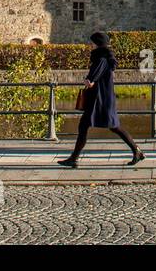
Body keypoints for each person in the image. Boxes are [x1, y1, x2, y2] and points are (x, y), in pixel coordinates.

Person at [57, 32, 145, 169]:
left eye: (92, 42)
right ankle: (136, 151)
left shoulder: (101, 59)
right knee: (111, 127)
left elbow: (92, 79)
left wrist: (89, 81)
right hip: (103, 98)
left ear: (97, 43)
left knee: (97, 127)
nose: (90, 44)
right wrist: (91, 80)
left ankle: (74, 159)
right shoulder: (104, 58)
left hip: (99, 99)